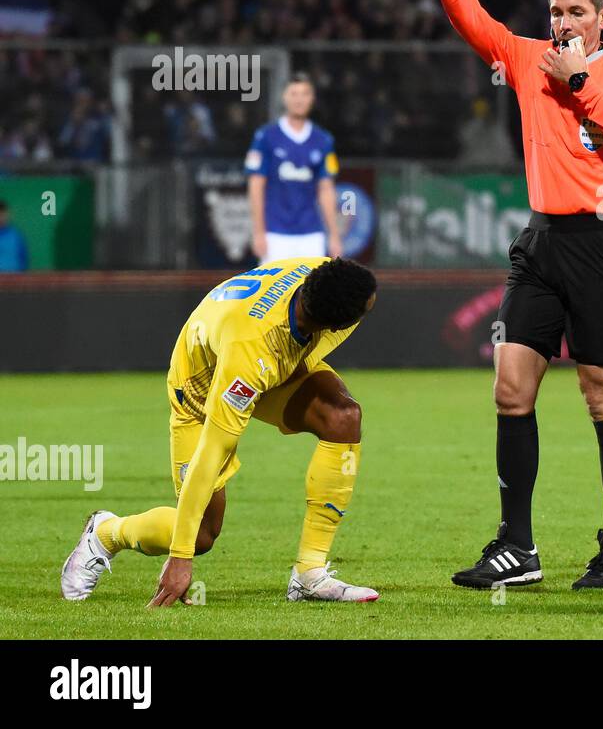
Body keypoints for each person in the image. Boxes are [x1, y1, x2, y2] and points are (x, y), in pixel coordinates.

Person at [420, 0, 603, 589]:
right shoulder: (526, 57)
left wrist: (579, 81)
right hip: (544, 239)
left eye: (577, 11)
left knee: (601, 392)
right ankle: (516, 548)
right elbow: (473, 19)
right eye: (557, 11)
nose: (563, 23)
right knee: (510, 387)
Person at [60, 257, 380, 606]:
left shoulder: (322, 276)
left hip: (259, 360)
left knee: (343, 418)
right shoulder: (253, 349)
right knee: (201, 535)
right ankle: (105, 534)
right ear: (334, 324)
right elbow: (212, 451)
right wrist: (181, 557)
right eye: (364, 312)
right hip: (200, 391)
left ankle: (309, 574)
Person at [246, 74, 343, 263]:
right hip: (275, 233)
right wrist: (258, 231)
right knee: (275, 292)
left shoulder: (323, 140)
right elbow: (256, 185)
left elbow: (326, 188)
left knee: (315, 291)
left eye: (305, 94)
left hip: (311, 233)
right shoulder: (266, 136)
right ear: (284, 97)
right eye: (294, 93)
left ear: (312, 99)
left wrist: (334, 234)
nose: (299, 99)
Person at [0, 200, 29, 271]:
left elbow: (23, 258)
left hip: (14, 279)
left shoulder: (16, 236)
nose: (1, 218)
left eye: (3, 214)